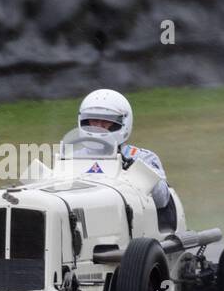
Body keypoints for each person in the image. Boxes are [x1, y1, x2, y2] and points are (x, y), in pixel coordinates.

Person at [75, 88, 176, 229]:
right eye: (93, 120)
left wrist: (132, 167)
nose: (98, 127)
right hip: (87, 225)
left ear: (122, 123)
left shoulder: (142, 157)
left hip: (134, 229)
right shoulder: (73, 158)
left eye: (105, 122)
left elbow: (162, 200)